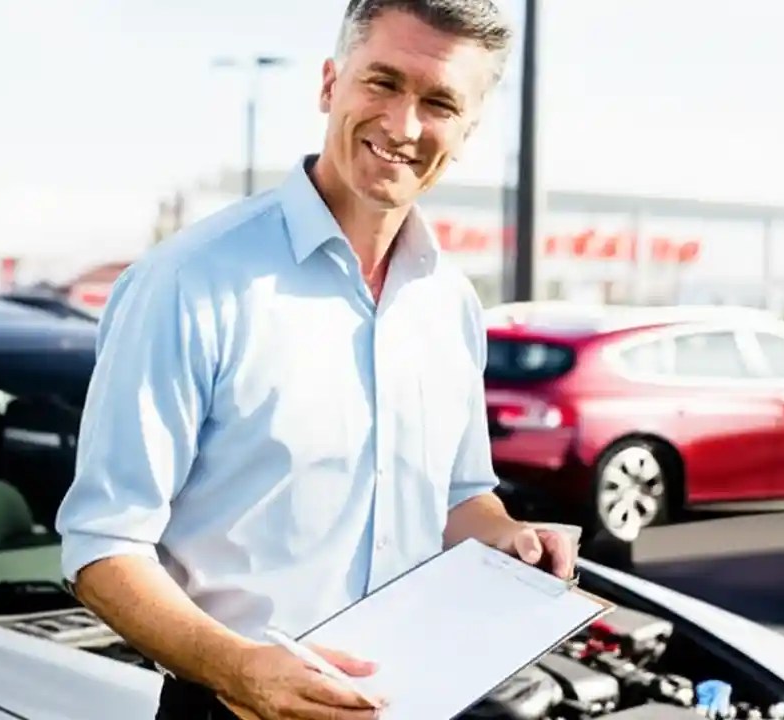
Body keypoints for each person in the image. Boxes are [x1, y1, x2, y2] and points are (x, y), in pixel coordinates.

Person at [55, 1, 575, 718]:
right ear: (330, 84)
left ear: (468, 129)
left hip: (412, 702)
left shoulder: (448, 300)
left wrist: (509, 539)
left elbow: (460, 499)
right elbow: (101, 549)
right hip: (230, 707)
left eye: (439, 102)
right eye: (382, 83)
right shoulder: (189, 281)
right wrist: (237, 669)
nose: (404, 125)